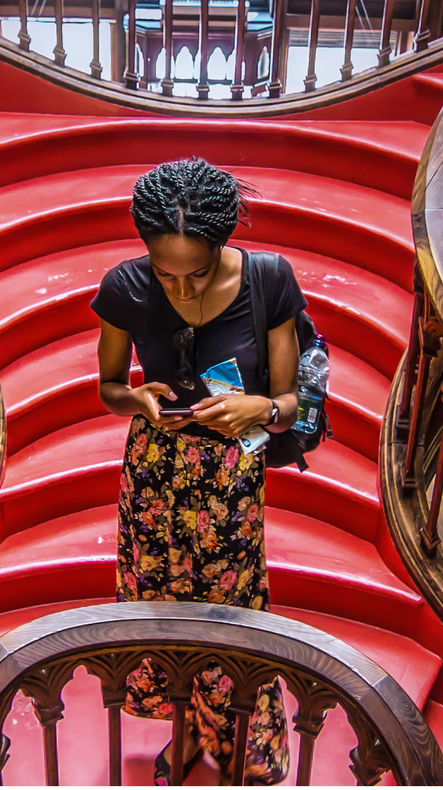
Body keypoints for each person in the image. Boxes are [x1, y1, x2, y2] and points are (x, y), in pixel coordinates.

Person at [92, 158, 303, 785]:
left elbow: (291, 407)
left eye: (198, 273)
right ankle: (187, 733)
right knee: (161, 612)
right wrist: (138, 401)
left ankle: (242, 745)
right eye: (165, 275)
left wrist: (257, 406)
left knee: (232, 616)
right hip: (155, 473)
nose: (181, 291)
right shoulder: (125, 288)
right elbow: (107, 387)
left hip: (230, 483)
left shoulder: (269, 280)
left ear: (223, 242)